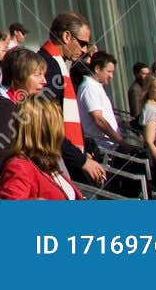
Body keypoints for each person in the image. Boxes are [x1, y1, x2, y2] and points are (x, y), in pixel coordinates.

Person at [40, 11, 107, 186]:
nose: (85, 50)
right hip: (57, 162)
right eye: (83, 43)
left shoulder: (57, 64)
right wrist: (81, 160)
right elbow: (49, 125)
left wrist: (84, 148)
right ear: (67, 36)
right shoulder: (50, 67)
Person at [0, 46, 48, 175]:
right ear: (18, 78)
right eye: (37, 75)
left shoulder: (17, 106)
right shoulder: (4, 109)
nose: (44, 81)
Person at [0, 95, 81, 200]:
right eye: (58, 124)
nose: (62, 131)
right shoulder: (19, 166)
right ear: (45, 130)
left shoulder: (47, 163)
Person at [77, 51, 124, 152]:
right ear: (97, 69)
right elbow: (98, 119)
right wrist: (121, 141)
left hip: (107, 147)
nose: (111, 76)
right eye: (109, 71)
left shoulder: (96, 86)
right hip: (101, 149)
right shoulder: (89, 88)